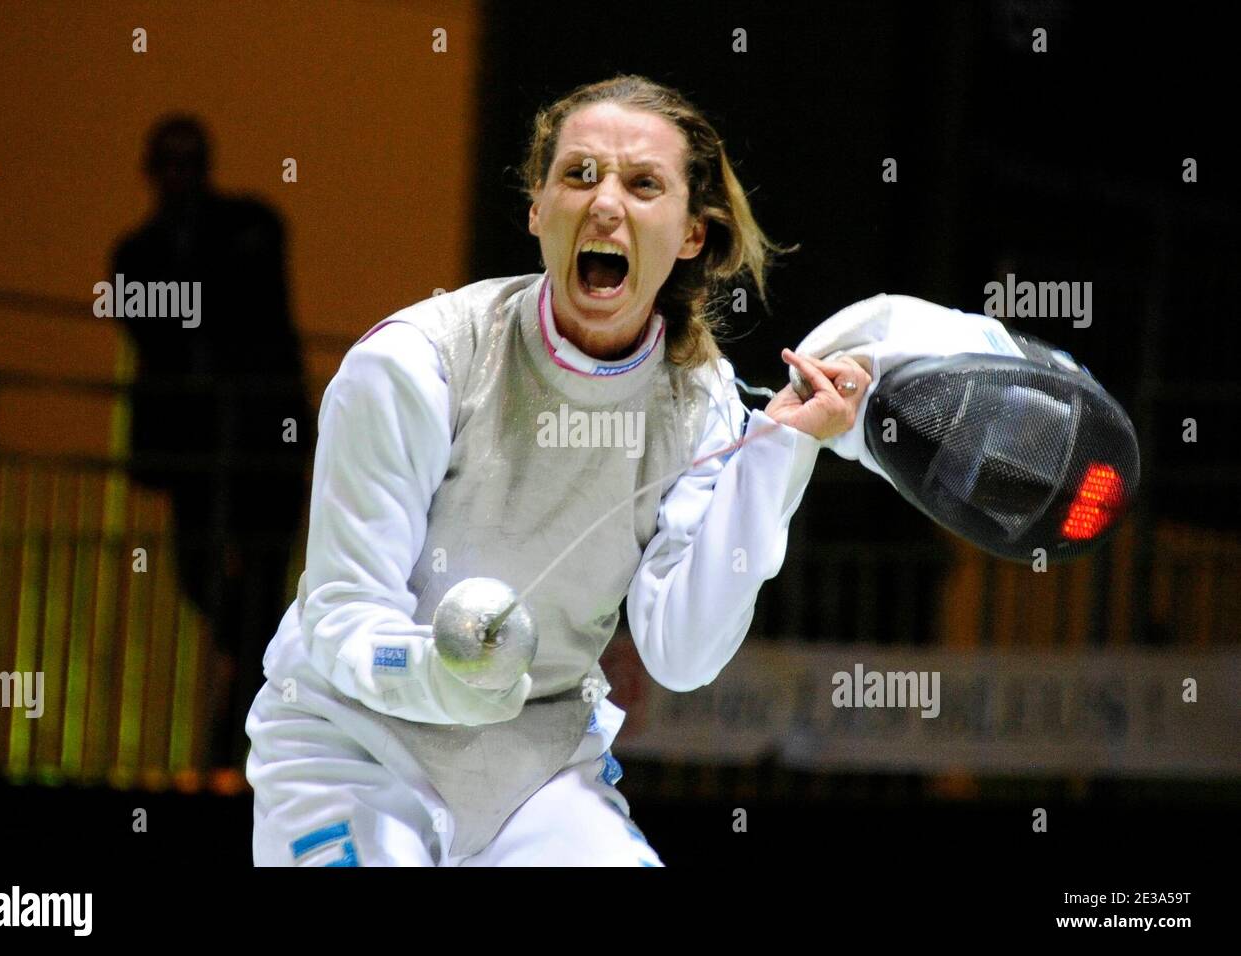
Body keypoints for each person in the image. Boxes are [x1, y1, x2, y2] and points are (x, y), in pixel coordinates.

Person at [245, 75, 871, 866]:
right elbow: (339, 623)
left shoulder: (701, 399)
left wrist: (780, 454)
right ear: (539, 209)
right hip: (352, 751)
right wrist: (446, 678)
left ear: (691, 234)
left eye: (644, 185)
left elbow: (682, 651)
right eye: (579, 175)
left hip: (534, 773)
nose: (606, 202)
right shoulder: (414, 364)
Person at [110, 115, 313, 769]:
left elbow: (241, 310)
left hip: (261, 444)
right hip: (199, 448)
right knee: (205, 576)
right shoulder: (139, 253)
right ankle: (256, 704)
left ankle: (238, 729)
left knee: (257, 579)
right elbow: (157, 331)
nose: (180, 178)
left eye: (189, 163)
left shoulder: (247, 227)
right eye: (169, 164)